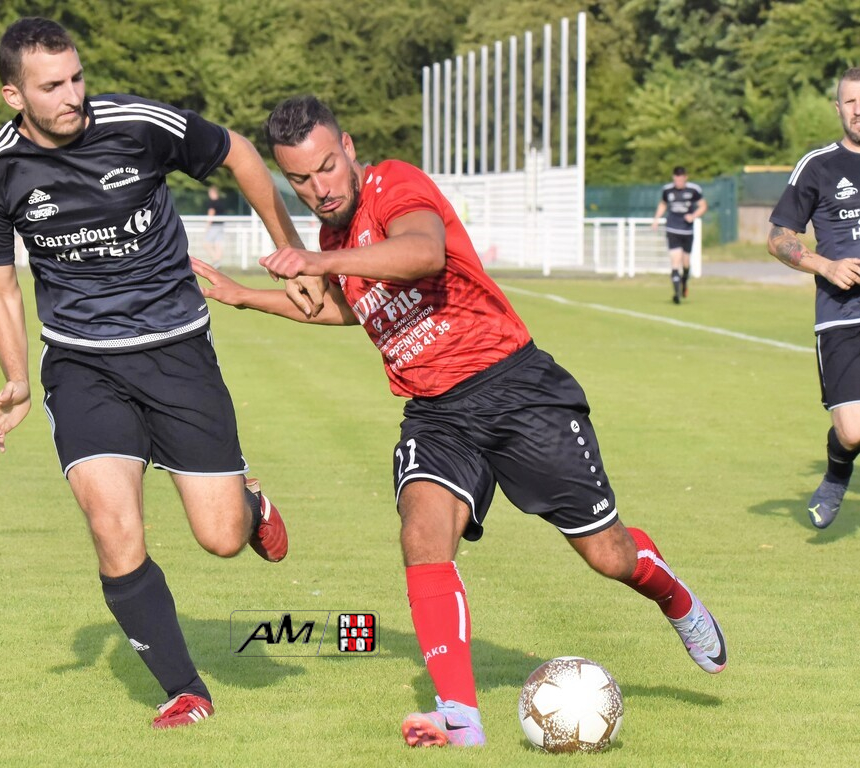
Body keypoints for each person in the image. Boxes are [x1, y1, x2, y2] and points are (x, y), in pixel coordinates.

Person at [192, 95, 727, 749]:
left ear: (349, 148)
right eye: (299, 179)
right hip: (434, 412)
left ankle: (670, 594)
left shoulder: (394, 184)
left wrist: (318, 262)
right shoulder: (332, 237)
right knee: (421, 533)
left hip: (515, 391)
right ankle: (458, 716)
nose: (318, 188)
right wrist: (245, 296)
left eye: (326, 167)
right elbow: (355, 309)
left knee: (607, 555)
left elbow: (420, 253)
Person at [0, 17, 320, 730]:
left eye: (76, 77)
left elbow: (243, 157)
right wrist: (16, 380)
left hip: (176, 351)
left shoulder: (138, 125)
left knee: (219, 538)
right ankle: (185, 690)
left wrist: (294, 253)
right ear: (13, 95)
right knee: (112, 527)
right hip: (81, 364)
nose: (72, 95)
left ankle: (249, 502)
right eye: (51, 86)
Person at [768, 67, 860, 530]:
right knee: (853, 431)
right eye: (850, 102)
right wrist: (826, 266)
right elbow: (779, 238)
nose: (859, 109)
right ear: (838, 108)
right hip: (843, 316)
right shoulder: (819, 165)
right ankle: (837, 469)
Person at [652, 166, 707, 304]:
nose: (678, 181)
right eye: (676, 178)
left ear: (685, 178)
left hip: (687, 231)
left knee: (686, 263)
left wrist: (693, 216)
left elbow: (703, 206)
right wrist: (656, 219)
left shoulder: (694, 190)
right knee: (675, 261)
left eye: (681, 178)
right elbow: (663, 204)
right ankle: (676, 294)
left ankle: (684, 283)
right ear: (673, 178)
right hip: (672, 229)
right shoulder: (667, 190)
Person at [203, 185, 227, 267]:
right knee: (218, 244)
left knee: (206, 244)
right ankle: (218, 262)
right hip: (221, 225)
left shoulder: (212, 203)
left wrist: (207, 226)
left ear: (212, 193)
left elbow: (211, 214)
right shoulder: (222, 202)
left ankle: (215, 260)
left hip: (214, 226)